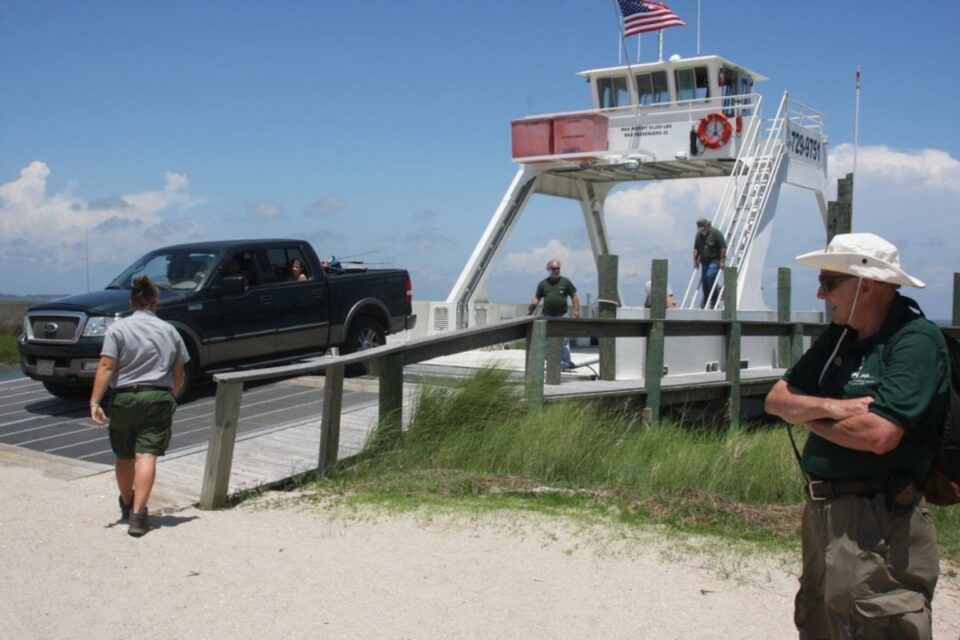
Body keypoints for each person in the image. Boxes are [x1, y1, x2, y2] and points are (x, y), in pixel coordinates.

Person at [764, 233, 948, 638]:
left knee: (877, 619)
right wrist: (832, 408)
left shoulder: (915, 341)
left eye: (830, 283)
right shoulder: (842, 336)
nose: (819, 293)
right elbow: (776, 399)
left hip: (880, 518)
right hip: (824, 514)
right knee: (821, 615)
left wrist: (805, 415)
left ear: (867, 285)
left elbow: (878, 434)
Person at [89, 276, 190, 537]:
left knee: (124, 456)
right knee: (146, 455)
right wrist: (172, 396)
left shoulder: (117, 329)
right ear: (155, 301)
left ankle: (126, 503)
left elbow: (107, 366)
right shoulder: (170, 331)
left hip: (123, 398)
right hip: (156, 396)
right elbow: (179, 373)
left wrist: (95, 401)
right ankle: (138, 514)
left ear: (132, 302)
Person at [527, 259, 580, 369]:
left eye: (558, 268)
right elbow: (537, 298)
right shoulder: (543, 284)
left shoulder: (565, 282)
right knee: (547, 341)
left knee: (564, 340)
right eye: (554, 268)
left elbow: (574, 296)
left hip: (562, 315)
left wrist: (576, 311)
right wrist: (530, 310)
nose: (556, 270)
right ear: (548, 270)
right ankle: (550, 362)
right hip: (548, 315)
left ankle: (565, 363)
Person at [692, 218, 726, 308]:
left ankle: (715, 295)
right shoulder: (698, 235)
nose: (700, 229)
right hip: (704, 261)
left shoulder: (716, 233)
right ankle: (707, 302)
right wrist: (695, 261)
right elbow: (696, 248)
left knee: (710, 276)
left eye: (702, 227)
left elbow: (723, 247)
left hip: (714, 260)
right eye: (699, 227)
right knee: (705, 283)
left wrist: (722, 261)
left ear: (707, 226)